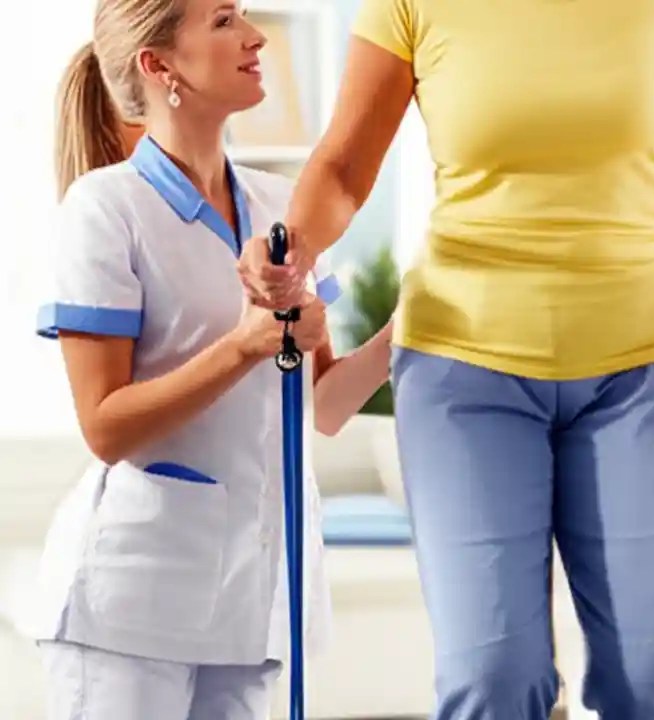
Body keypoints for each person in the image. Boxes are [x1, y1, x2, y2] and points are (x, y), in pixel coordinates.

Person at [238, 0, 654, 717]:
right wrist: (292, 249)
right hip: (464, 365)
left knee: (652, 682)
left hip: (642, 362)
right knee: (492, 680)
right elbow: (344, 165)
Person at [25, 1, 393, 717]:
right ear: (159, 65)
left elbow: (322, 406)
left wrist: (410, 330)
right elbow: (106, 428)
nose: (255, 37)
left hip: (257, 605)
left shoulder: (283, 206)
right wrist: (246, 345)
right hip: (132, 609)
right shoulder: (105, 209)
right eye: (224, 21)